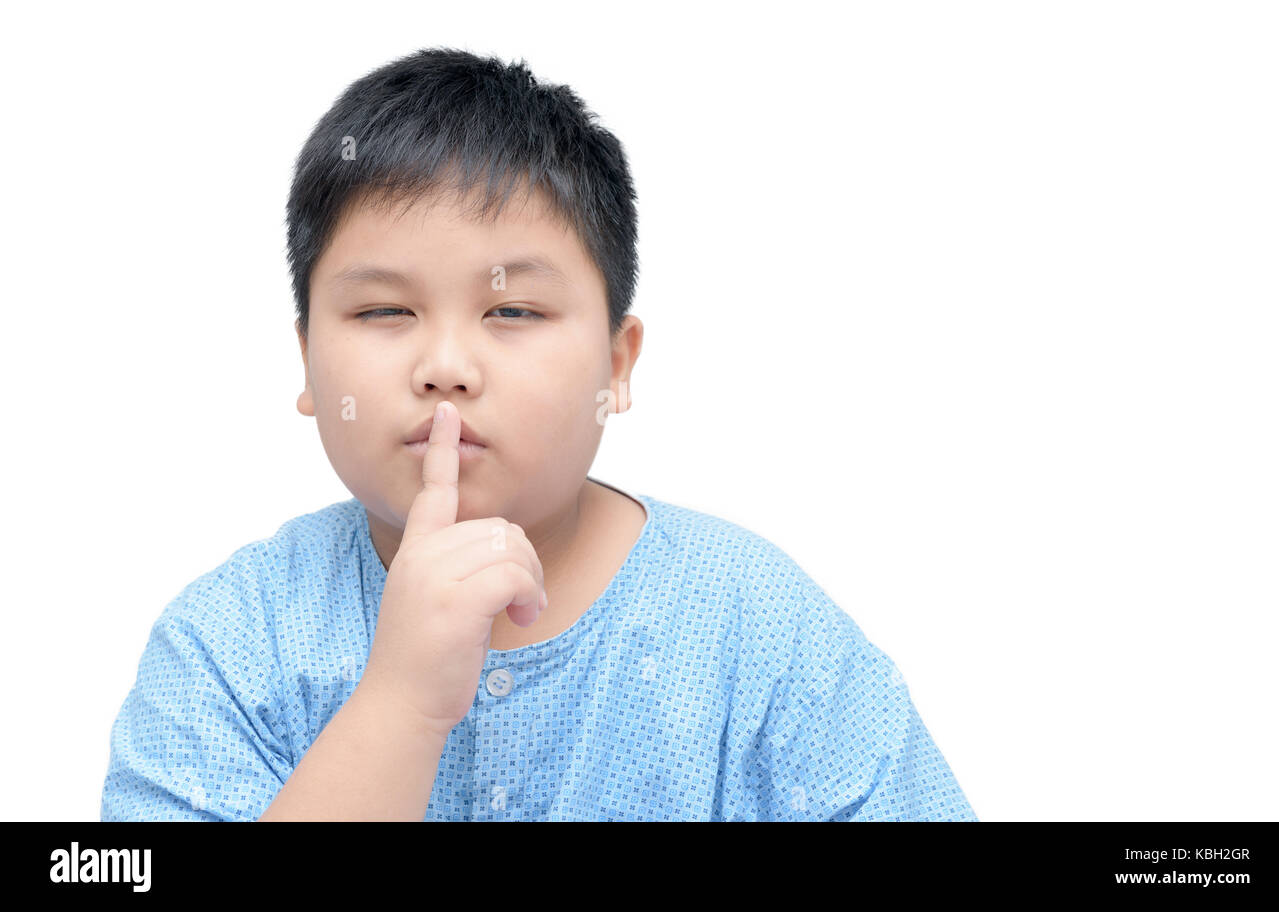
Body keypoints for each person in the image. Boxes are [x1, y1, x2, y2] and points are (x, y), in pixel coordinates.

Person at [100, 46, 976, 821]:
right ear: (306, 361)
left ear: (617, 362)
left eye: (512, 308)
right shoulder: (227, 646)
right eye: (382, 309)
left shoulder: (760, 634)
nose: (446, 365)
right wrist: (400, 702)